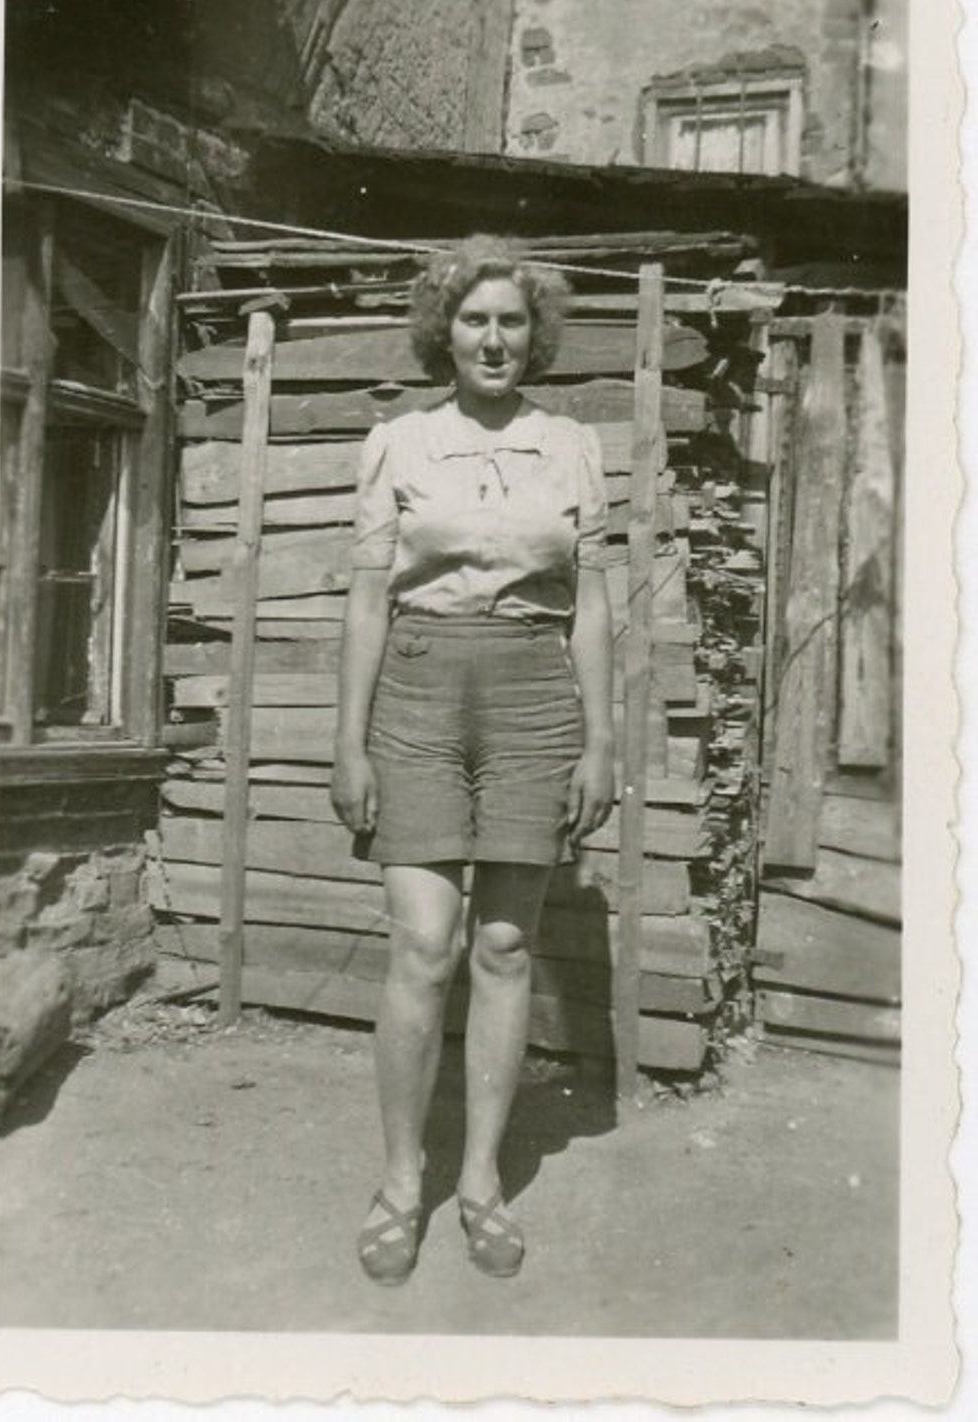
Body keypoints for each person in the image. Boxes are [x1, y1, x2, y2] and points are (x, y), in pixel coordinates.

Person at [331, 235, 616, 1286]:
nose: (493, 339)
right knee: (423, 942)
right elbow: (368, 597)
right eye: (473, 320)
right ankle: (403, 1180)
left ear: (534, 335)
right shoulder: (399, 444)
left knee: (503, 945)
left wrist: (601, 735)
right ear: (441, 333)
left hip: (535, 693)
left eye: (510, 322)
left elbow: (590, 603)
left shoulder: (574, 445)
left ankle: (481, 1179)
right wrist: (347, 738)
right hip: (415, 685)